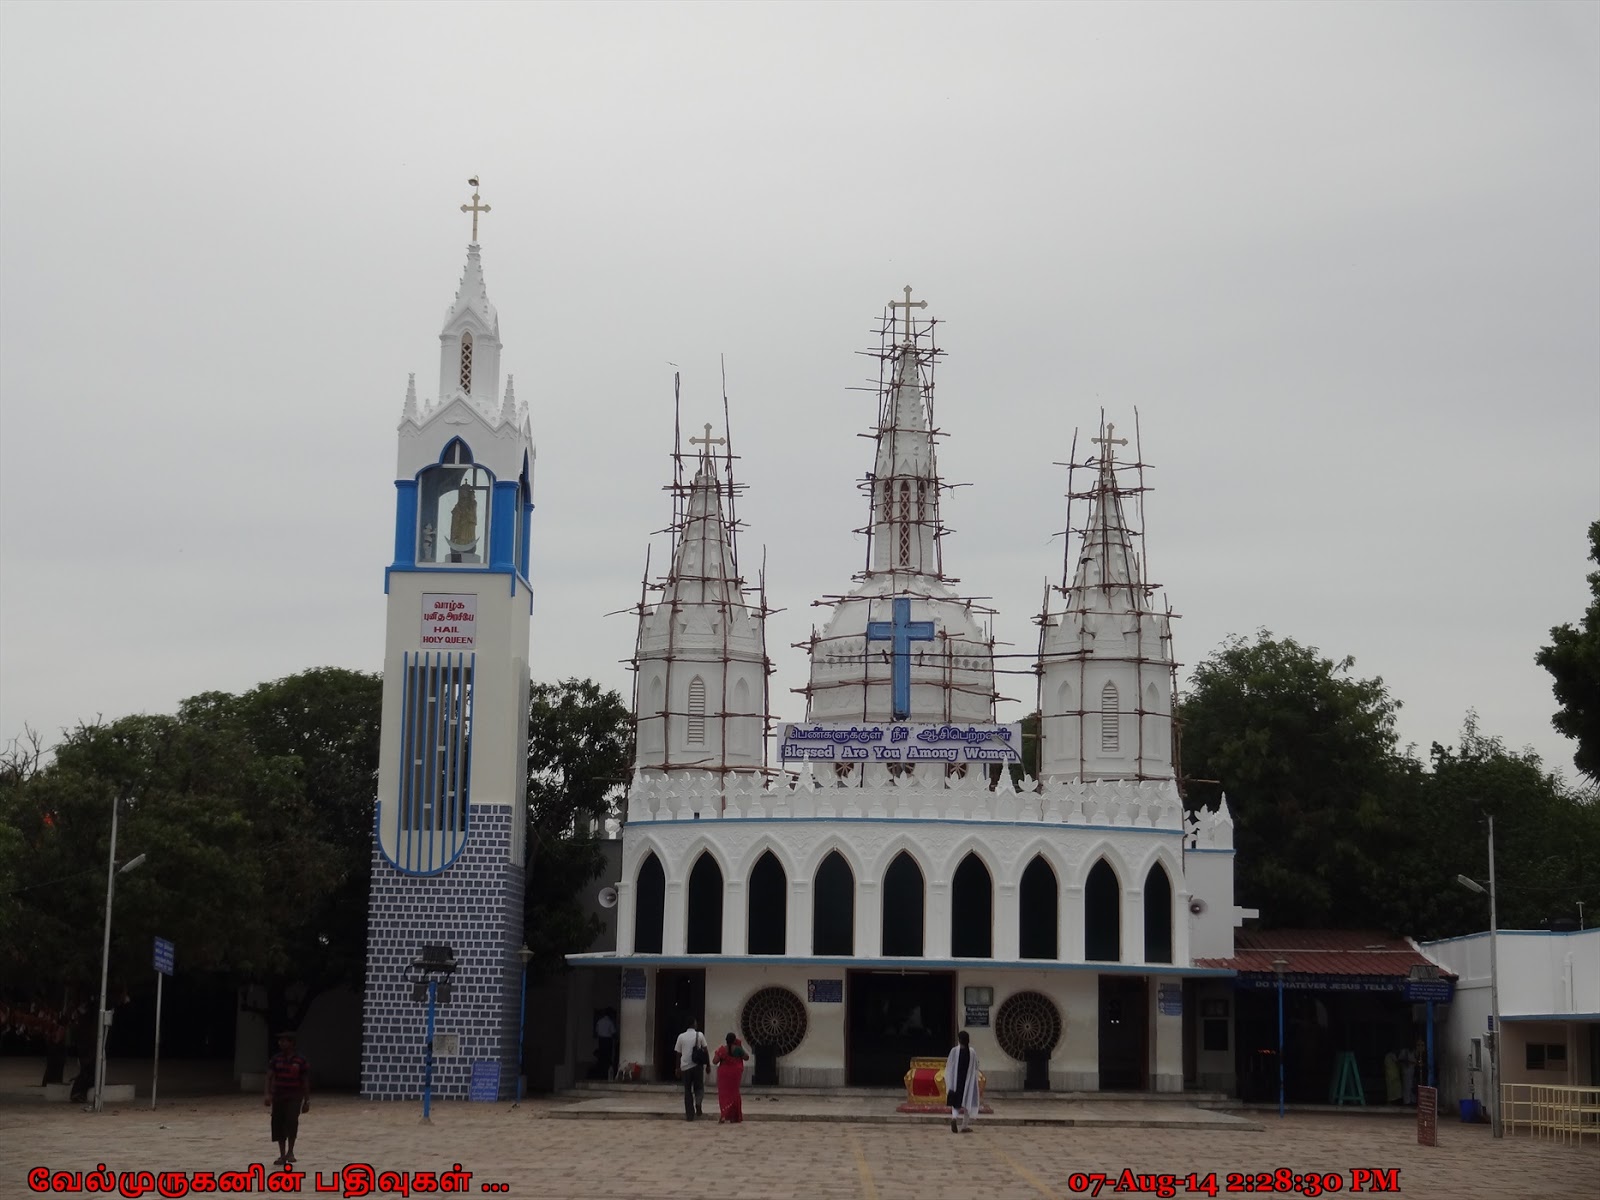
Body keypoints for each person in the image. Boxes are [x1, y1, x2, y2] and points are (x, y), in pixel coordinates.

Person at [264, 1031, 311, 1166]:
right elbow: (269, 1076)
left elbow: (305, 1080)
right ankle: (282, 1154)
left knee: (291, 1121)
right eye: (280, 1041)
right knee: (278, 1123)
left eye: (285, 1041)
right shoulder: (276, 1059)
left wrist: (306, 1100)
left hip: (294, 1096)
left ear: (292, 1043)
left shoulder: (300, 1060)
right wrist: (267, 1094)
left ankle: (291, 1151)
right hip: (278, 1096)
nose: (281, 1043)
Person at [673, 1018, 708, 1121]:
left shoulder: (681, 1036)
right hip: (697, 1066)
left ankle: (689, 1115)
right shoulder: (700, 1035)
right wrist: (708, 1065)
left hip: (685, 1067)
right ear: (694, 1024)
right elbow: (705, 1050)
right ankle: (698, 1103)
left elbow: (678, 1054)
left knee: (687, 1091)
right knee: (699, 1088)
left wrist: (677, 1068)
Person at [946, 1030, 980, 1133]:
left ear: (959, 1040)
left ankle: (954, 1118)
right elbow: (976, 1066)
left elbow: (949, 1066)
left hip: (956, 1081)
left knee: (956, 1102)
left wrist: (950, 1081)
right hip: (968, 1082)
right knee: (967, 1103)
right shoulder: (972, 1052)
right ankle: (964, 1126)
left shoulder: (954, 1051)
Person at [712, 1032, 749, 1124]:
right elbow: (746, 1057)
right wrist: (740, 1048)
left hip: (724, 1074)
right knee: (734, 1093)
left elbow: (715, 1061)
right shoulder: (738, 1049)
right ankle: (734, 1117)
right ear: (734, 1040)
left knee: (724, 1094)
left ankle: (724, 1114)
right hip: (735, 1074)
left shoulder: (722, 1050)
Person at [594, 1009, 618, 1079]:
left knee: (601, 1057)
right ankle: (607, 1075)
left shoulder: (599, 1021)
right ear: (610, 1015)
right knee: (608, 1057)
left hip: (601, 1041)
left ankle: (601, 1074)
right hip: (608, 1041)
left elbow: (597, 1031)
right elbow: (613, 1033)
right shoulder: (610, 1022)